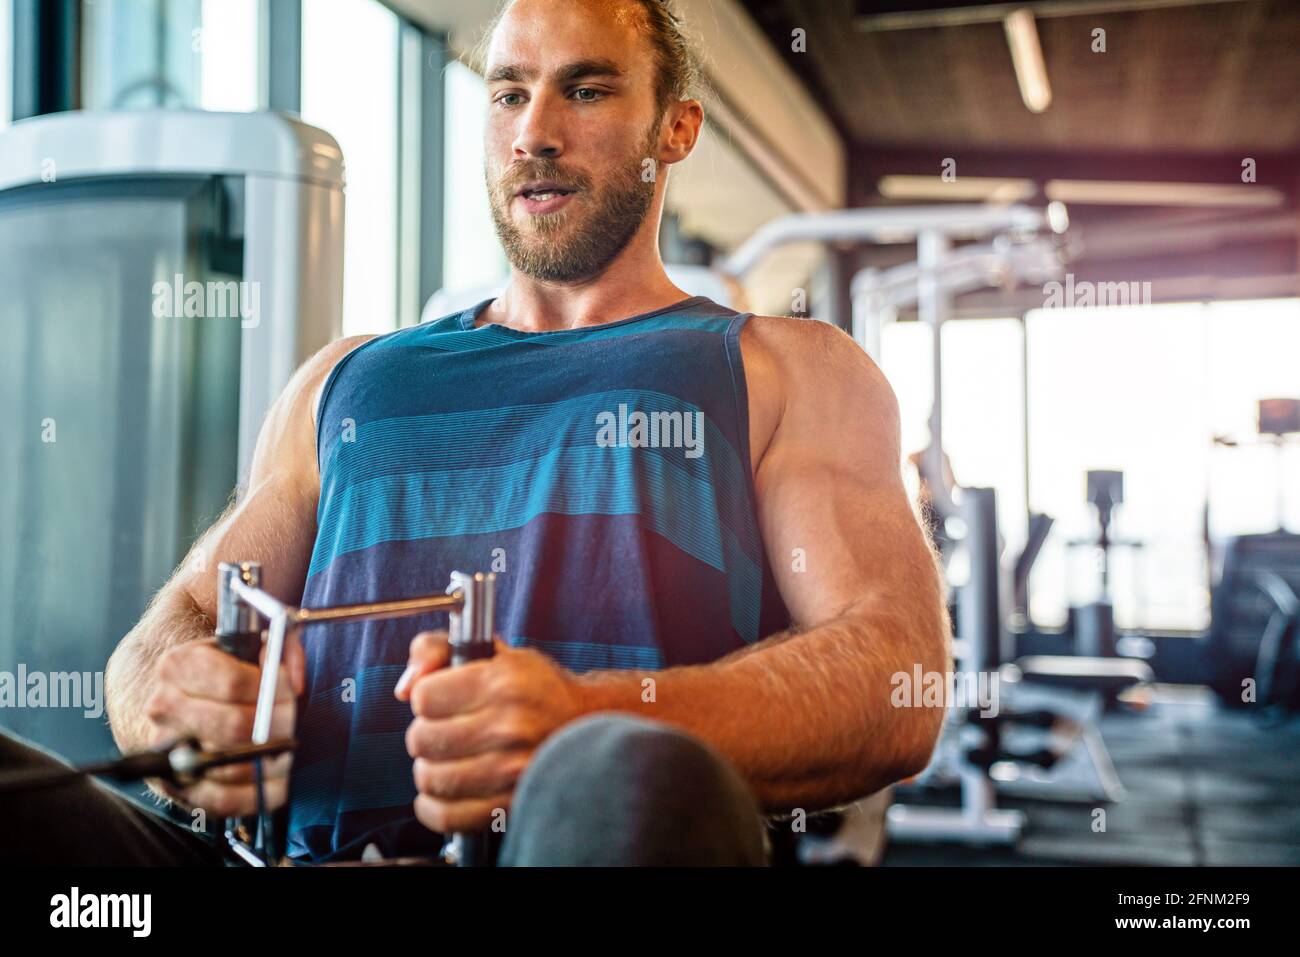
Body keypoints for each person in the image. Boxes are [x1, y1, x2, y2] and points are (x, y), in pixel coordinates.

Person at [1, 0, 949, 866]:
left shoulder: (780, 367)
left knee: (626, 776)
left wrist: (585, 719)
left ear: (676, 129)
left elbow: (894, 667)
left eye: (584, 89)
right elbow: (173, 630)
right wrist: (174, 701)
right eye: (508, 94)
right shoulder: (344, 378)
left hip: (583, 843)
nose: (534, 132)